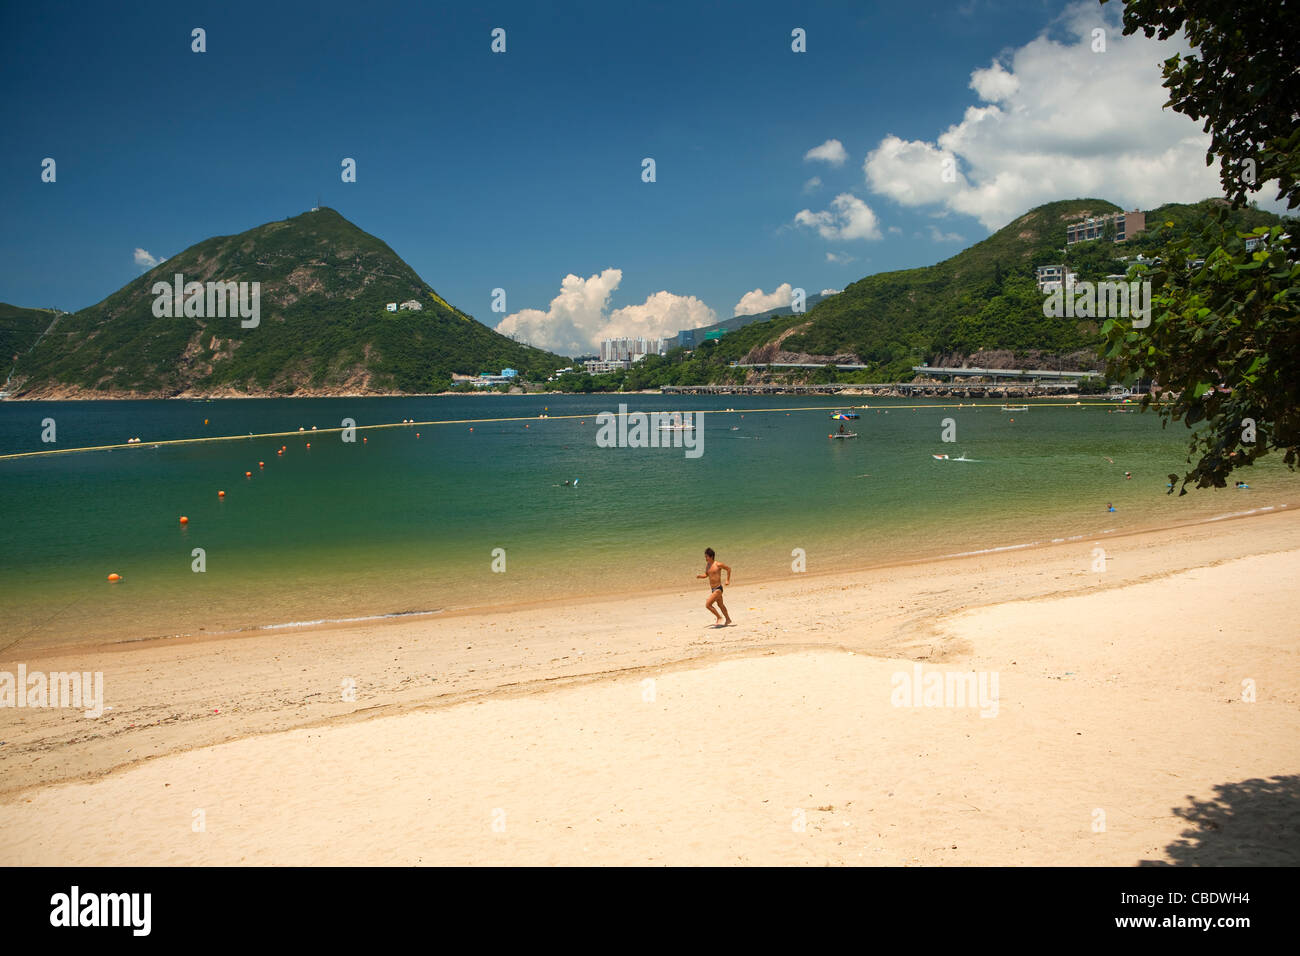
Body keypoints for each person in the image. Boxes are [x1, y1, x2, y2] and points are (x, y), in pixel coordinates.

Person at [697, 547, 732, 626]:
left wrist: (727, 580)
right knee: (720, 605)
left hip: (718, 589)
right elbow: (706, 574)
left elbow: (728, 569)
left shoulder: (718, 564)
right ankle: (728, 619)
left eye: (706, 557)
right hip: (713, 589)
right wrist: (700, 576)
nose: (705, 558)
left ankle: (719, 617)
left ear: (711, 556)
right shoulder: (708, 565)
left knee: (708, 604)